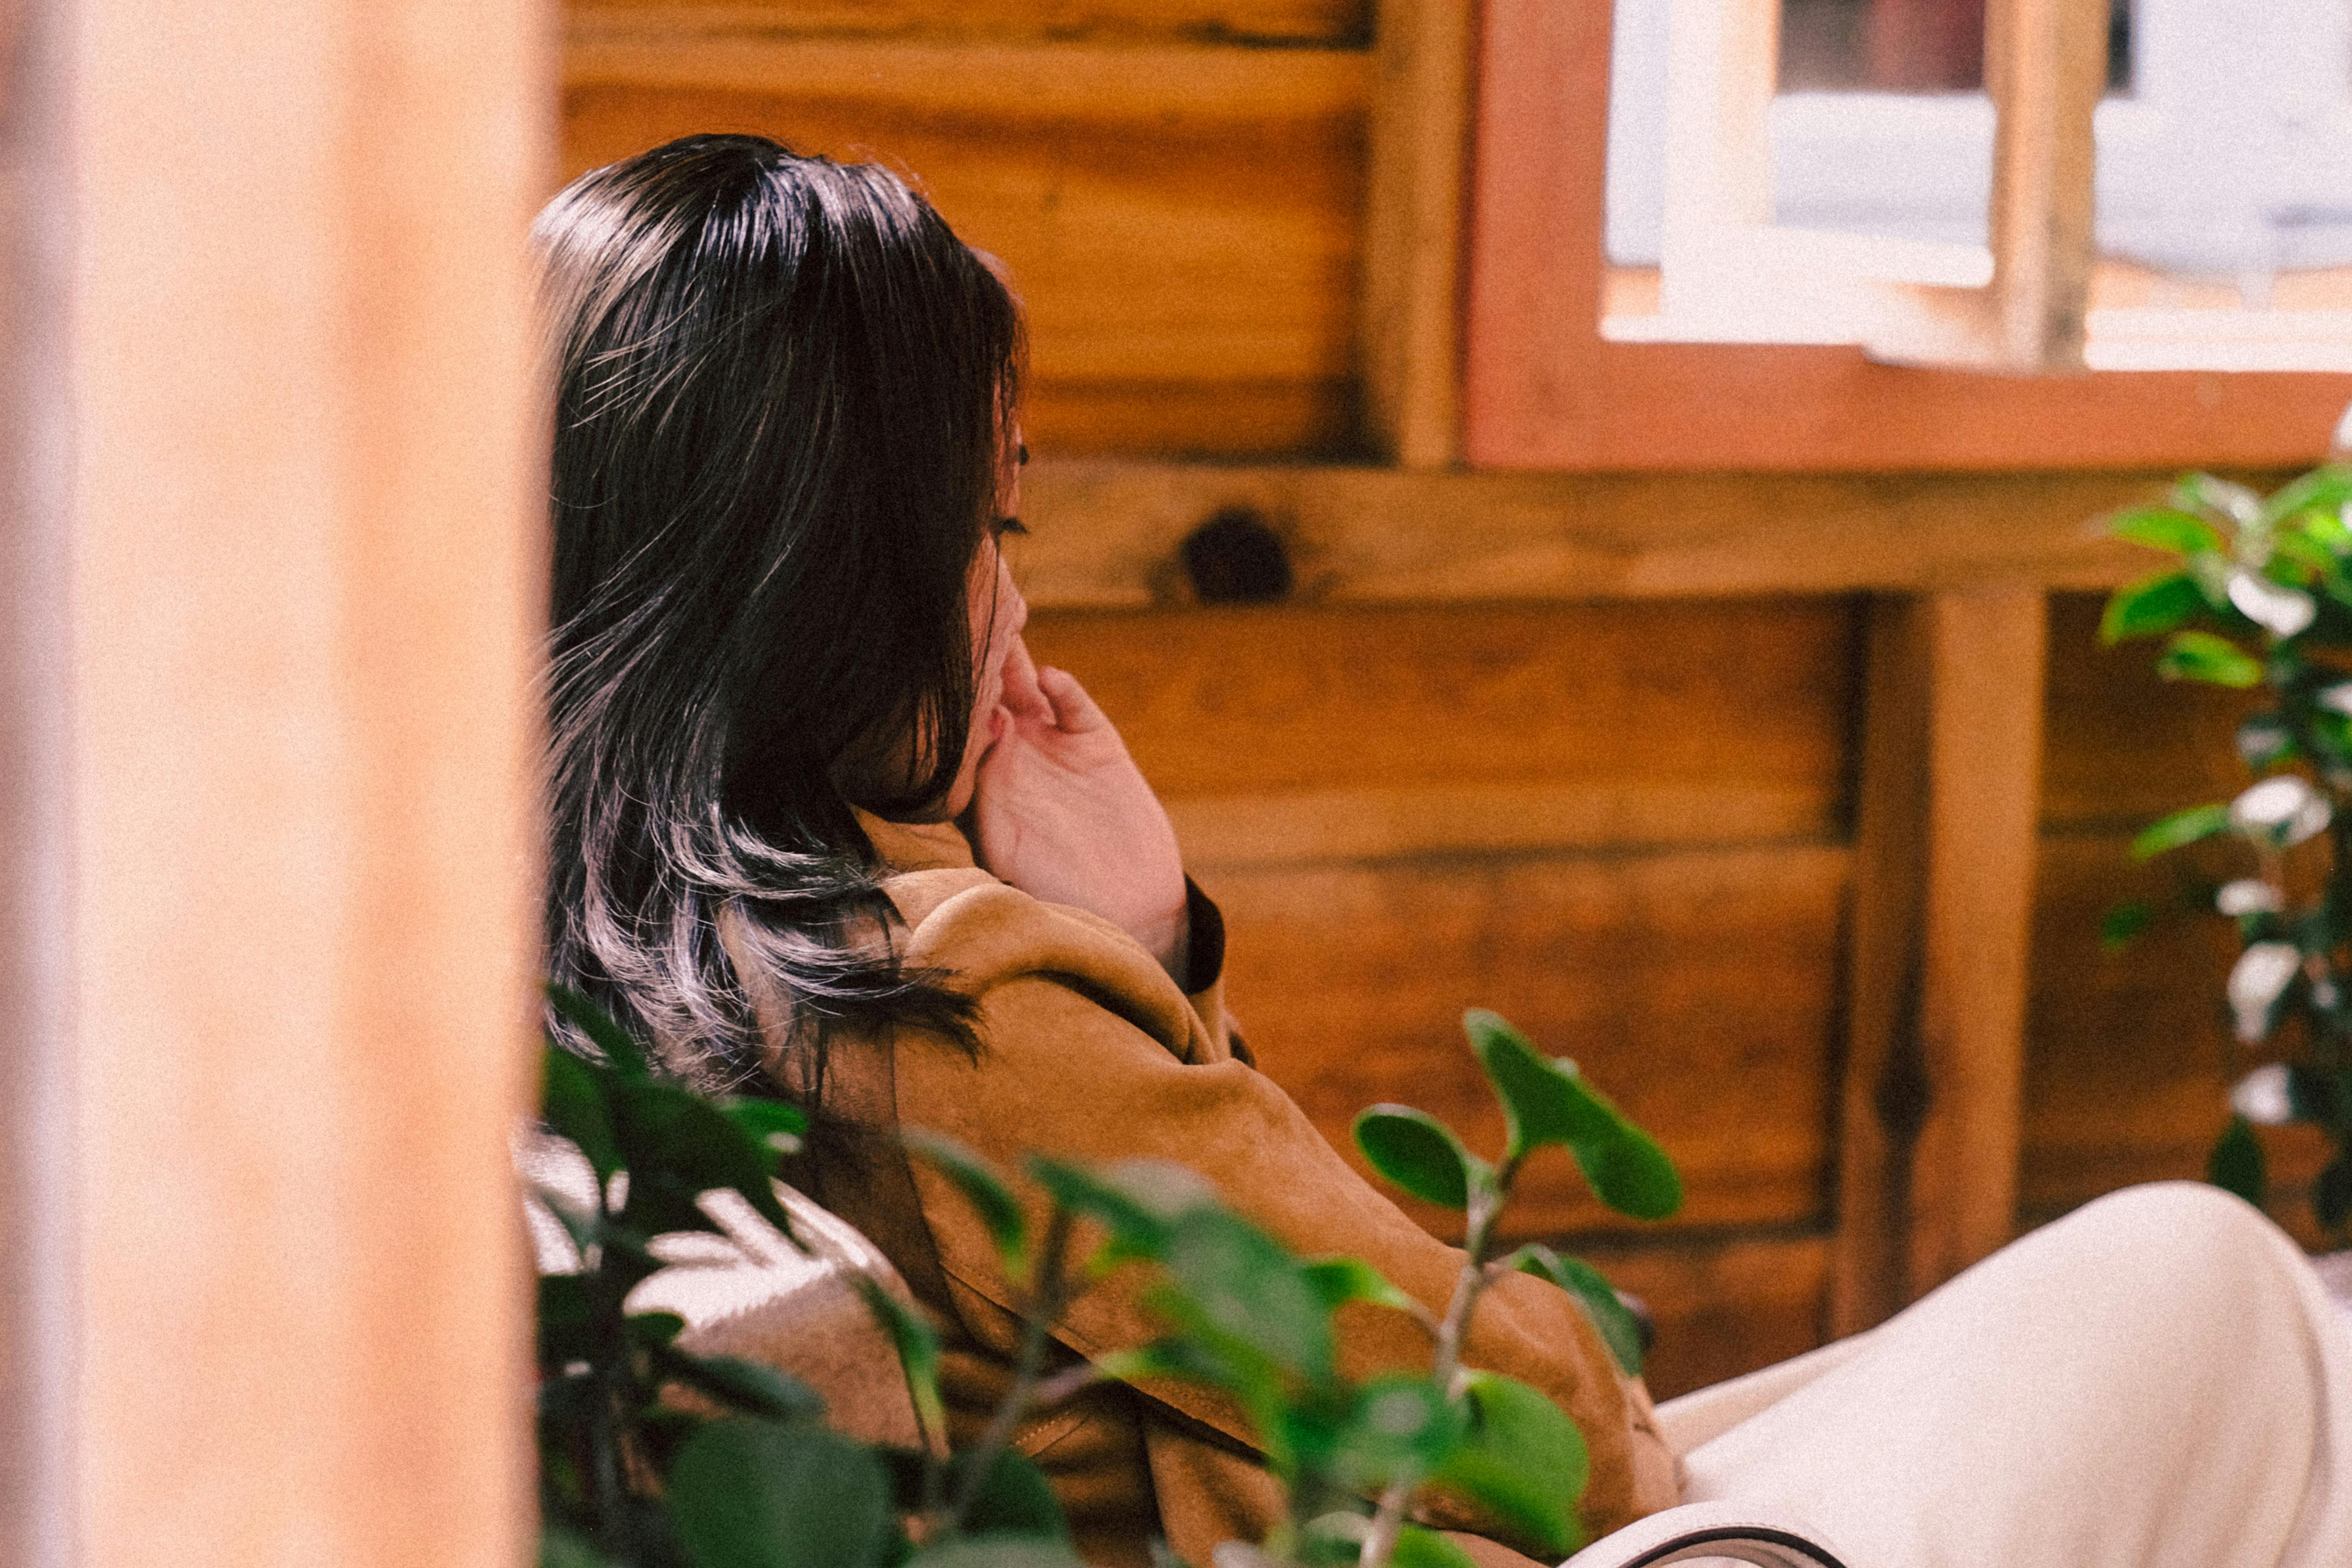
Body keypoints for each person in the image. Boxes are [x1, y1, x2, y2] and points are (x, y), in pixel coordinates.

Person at [534, 133, 2352, 1568]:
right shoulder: (939, 994)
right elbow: (1499, 1413)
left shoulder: (562, 967)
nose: (1011, 591)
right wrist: (1114, 978)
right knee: (2211, 1287)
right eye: (991, 519)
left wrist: (1151, 952)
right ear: (848, 577)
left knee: (2078, 1361)